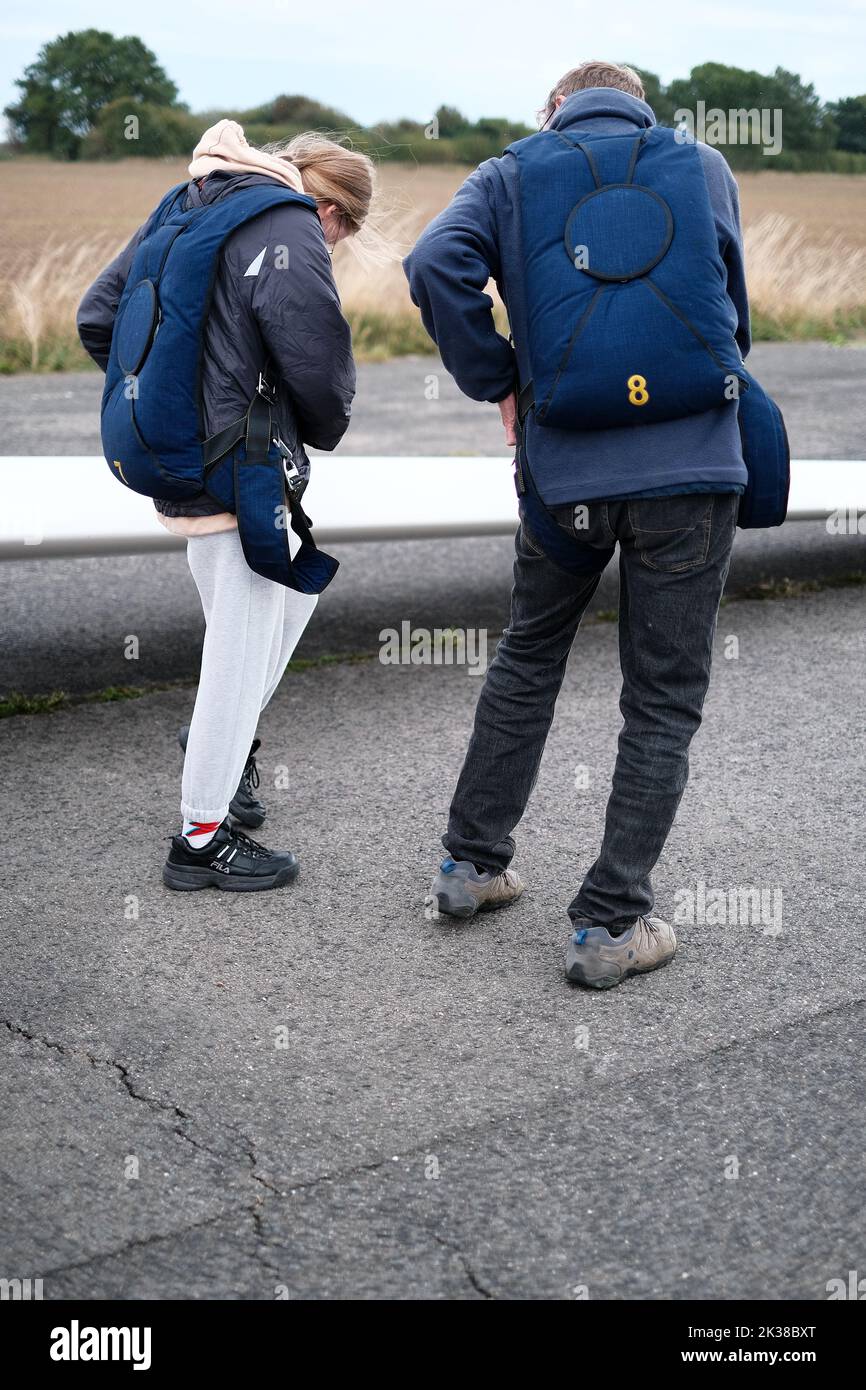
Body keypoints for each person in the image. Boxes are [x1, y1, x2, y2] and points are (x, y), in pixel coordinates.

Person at [404, 62, 751, 988]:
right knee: (664, 696)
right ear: (641, 107)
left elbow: (433, 263)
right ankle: (609, 927)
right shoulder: (701, 163)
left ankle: (471, 867)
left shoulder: (510, 170)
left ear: (554, 110)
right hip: (692, 472)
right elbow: (732, 316)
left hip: (566, 476)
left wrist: (500, 379)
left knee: (529, 655)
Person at [78, 121, 374, 891]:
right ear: (330, 206)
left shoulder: (189, 199)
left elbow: (98, 315)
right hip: (235, 467)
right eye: (346, 227)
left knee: (287, 603)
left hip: (182, 462)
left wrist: (166, 399)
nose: (335, 242)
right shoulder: (287, 222)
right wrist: (304, 420)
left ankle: (222, 736)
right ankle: (201, 840)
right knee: (239, 648)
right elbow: (316, 358)